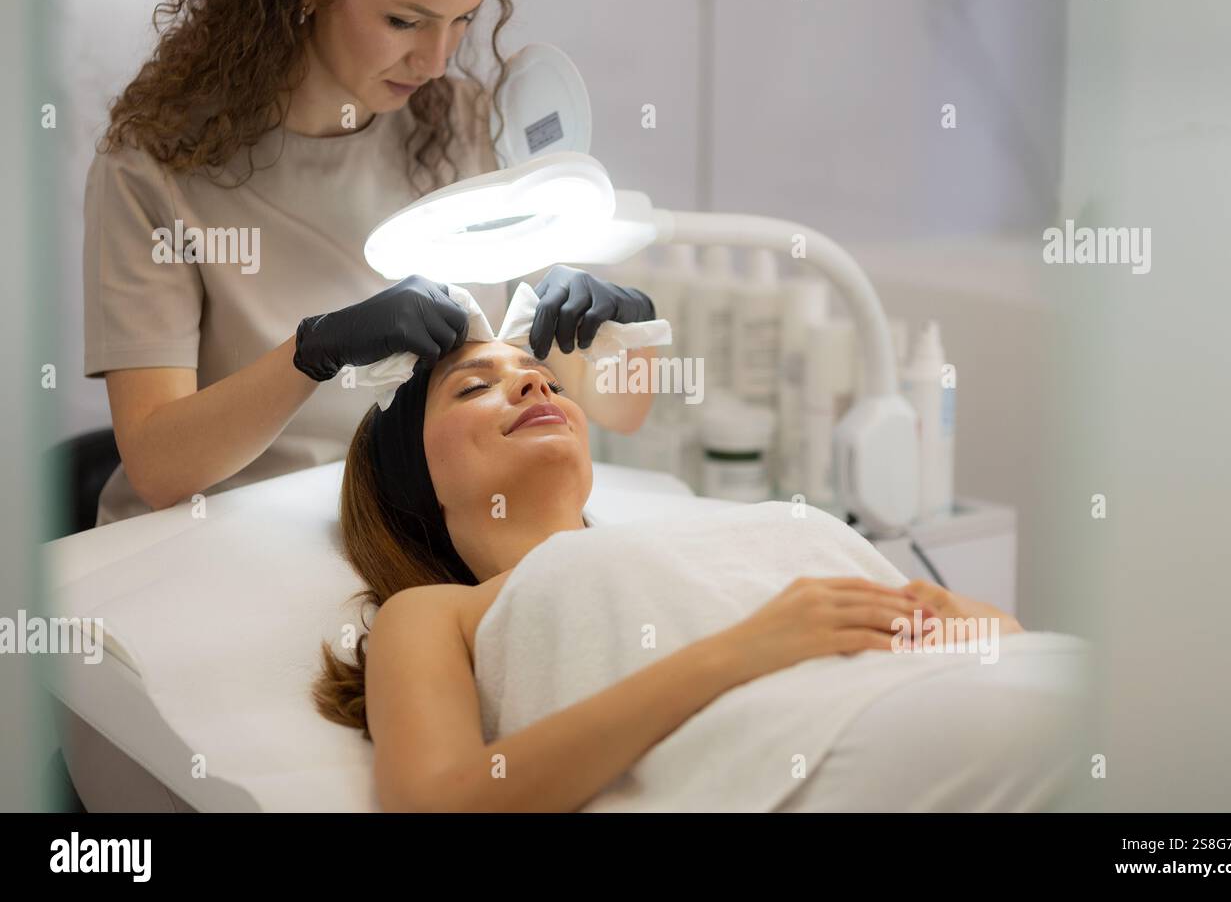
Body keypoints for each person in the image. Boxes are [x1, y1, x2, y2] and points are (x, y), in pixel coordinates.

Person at [313, 337, 1057, 812]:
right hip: (826, 753)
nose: (538, 388)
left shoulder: (706, 529)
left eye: (545, 379)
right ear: (411, 479)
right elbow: (438, 804)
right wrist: (747, 649)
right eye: (474, 387)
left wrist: (958, 618)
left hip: (996, 684)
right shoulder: (440, 612)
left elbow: (1005, 632)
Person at [81, 0, 656, 525]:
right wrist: (312, 354)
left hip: (406, 537)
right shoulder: (158, 168)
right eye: (403, 22)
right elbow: (157, 469)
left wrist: (621, 330)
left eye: (462, 19)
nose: (435, 62)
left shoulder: (466, 125)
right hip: (220, 535)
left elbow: (619, 410)